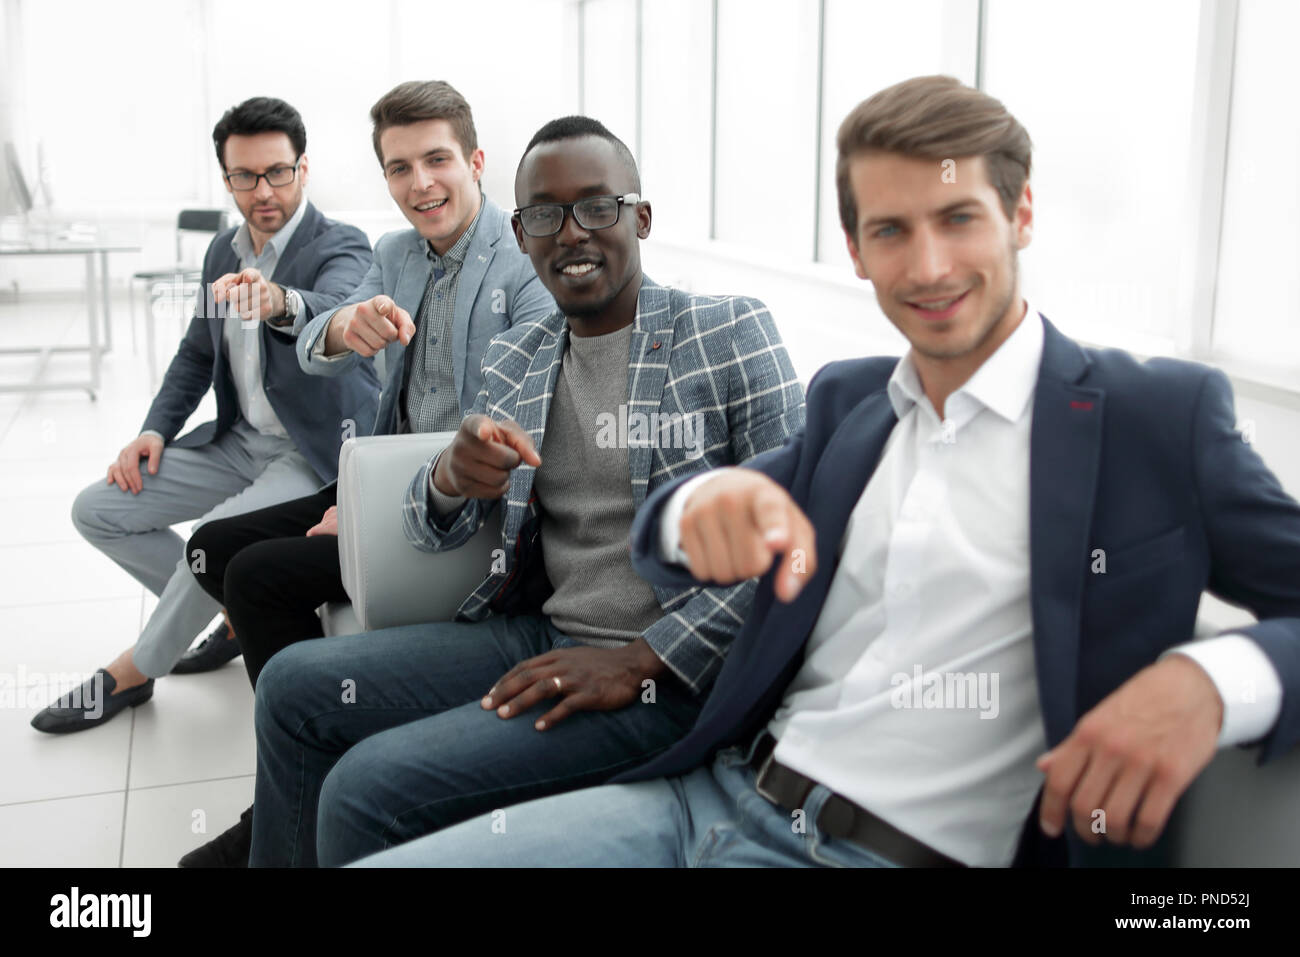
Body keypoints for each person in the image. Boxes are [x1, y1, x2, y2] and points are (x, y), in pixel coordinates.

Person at [351, 75, 1300, 869]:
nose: (928, 265)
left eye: (959, 218)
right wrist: (697, 510)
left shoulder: (1156, 418)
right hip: (708, 797)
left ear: (1021, 216)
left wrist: (1216, 681)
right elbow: (685, 526)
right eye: (890, 230)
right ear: (855, 250)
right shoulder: (854, 400)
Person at [244, 116, 805, 867]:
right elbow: (431, 525)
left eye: (597, 207)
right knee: (290, 685)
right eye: (544, 214)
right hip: (541, 630)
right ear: (521, 232)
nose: (571, 232)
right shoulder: (521, 356)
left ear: (640, 217)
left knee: (365, 789)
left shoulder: (730, 332)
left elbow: (803, 542)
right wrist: (447, 480)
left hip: (673, 678)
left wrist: (645, 658)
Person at [174, 79, 555, 867]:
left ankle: (292, 781)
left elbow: (506, 438)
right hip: (376, 472)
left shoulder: (523, 267)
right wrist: (342, 327)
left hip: (458, 510)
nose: (420, 184)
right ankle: (315, 749)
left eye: (437, 160)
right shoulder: (392, 254)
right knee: (211, 549)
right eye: (398, 167)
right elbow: (318, 339)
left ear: (478, 160)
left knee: (261, 577)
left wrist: (374, 513)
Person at [33, 96, 377, 735]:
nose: (262, 190)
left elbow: (332, 306)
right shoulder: (223, 250)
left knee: (209, 540)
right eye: (244, 176)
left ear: (303, 169)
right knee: (98, 510)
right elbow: (196, 354)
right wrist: (153, 430)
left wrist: (276, 299)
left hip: (309, 453)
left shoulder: (342, 245)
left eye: (277, 171)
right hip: (237, 439)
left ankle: (135, 671)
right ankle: (228, 610)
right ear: (226, 179)